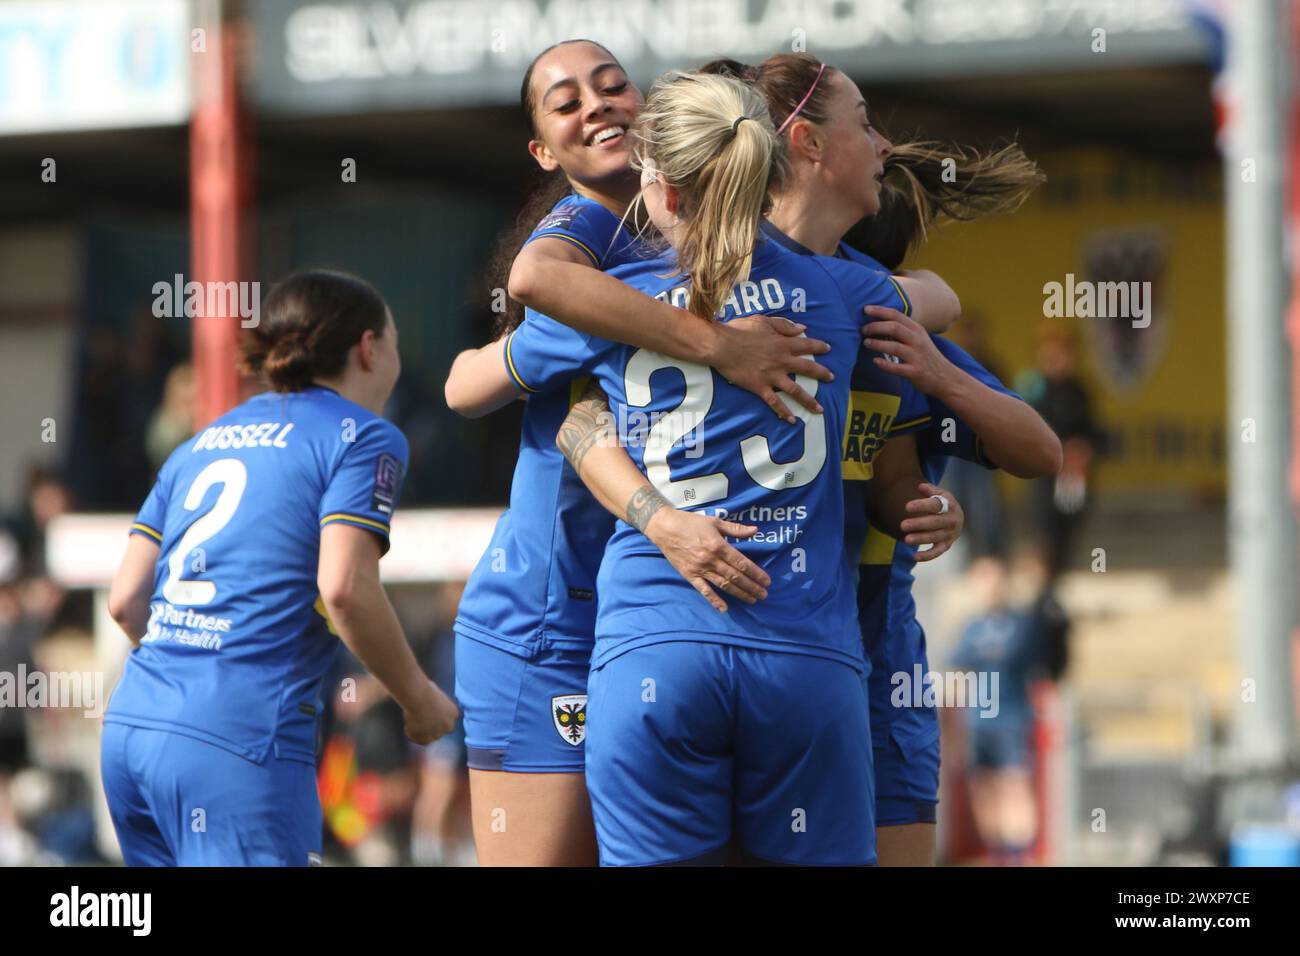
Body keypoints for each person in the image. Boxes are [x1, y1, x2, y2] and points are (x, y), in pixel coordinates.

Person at [491, 68, 964, 866]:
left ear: (664, 195)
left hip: (655, 650)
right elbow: (939, 300)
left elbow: (477, 381)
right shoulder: (839, 289)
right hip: (805, 661)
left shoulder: (612, 299)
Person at [444, 38, 858, 867]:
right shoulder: (587, 238)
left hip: (664, 621)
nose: (596, 105)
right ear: (541, 150)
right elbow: (469, 381)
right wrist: (714, 344)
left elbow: (903, 299)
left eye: (612, 86)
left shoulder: (708, 251)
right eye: (566, 102)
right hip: (550, 618)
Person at [101, 269, 459, 867]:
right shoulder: (366, 437)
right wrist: (420, 699)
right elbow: (344, 587)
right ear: (370, 349)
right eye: (394, 341)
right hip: (238, 742)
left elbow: (124, 601)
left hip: (133, 725)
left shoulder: (203, 441)